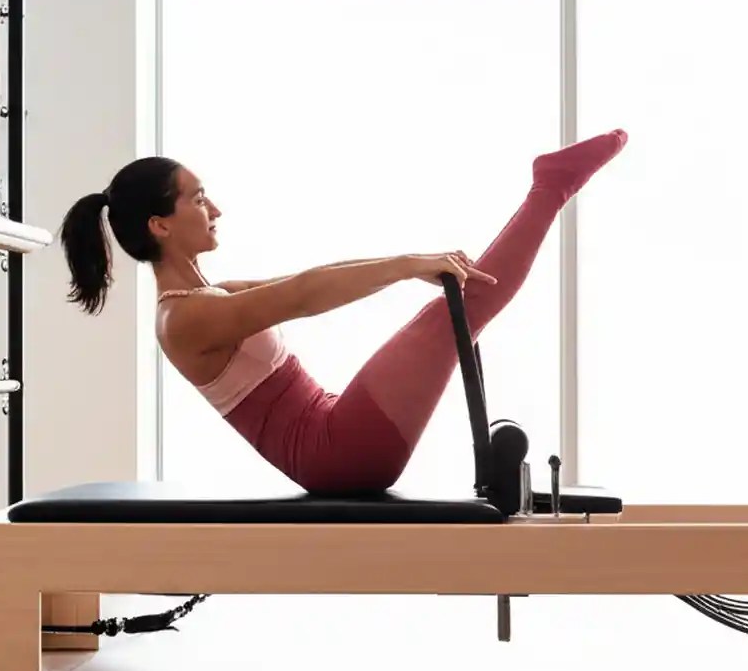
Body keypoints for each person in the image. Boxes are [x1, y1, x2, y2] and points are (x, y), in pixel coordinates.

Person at [59, 129, 628, 494]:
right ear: (160, 224)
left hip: (335, 433)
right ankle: (550, 187)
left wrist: (409, 264)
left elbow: (314, 278)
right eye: (198, 197)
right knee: (455, 313)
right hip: (339, 453)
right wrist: (408, 263)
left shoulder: (215, 296)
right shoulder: (183, 319)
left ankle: (550, 187)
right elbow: (307, 293)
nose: (216, 208)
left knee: (455, 306)